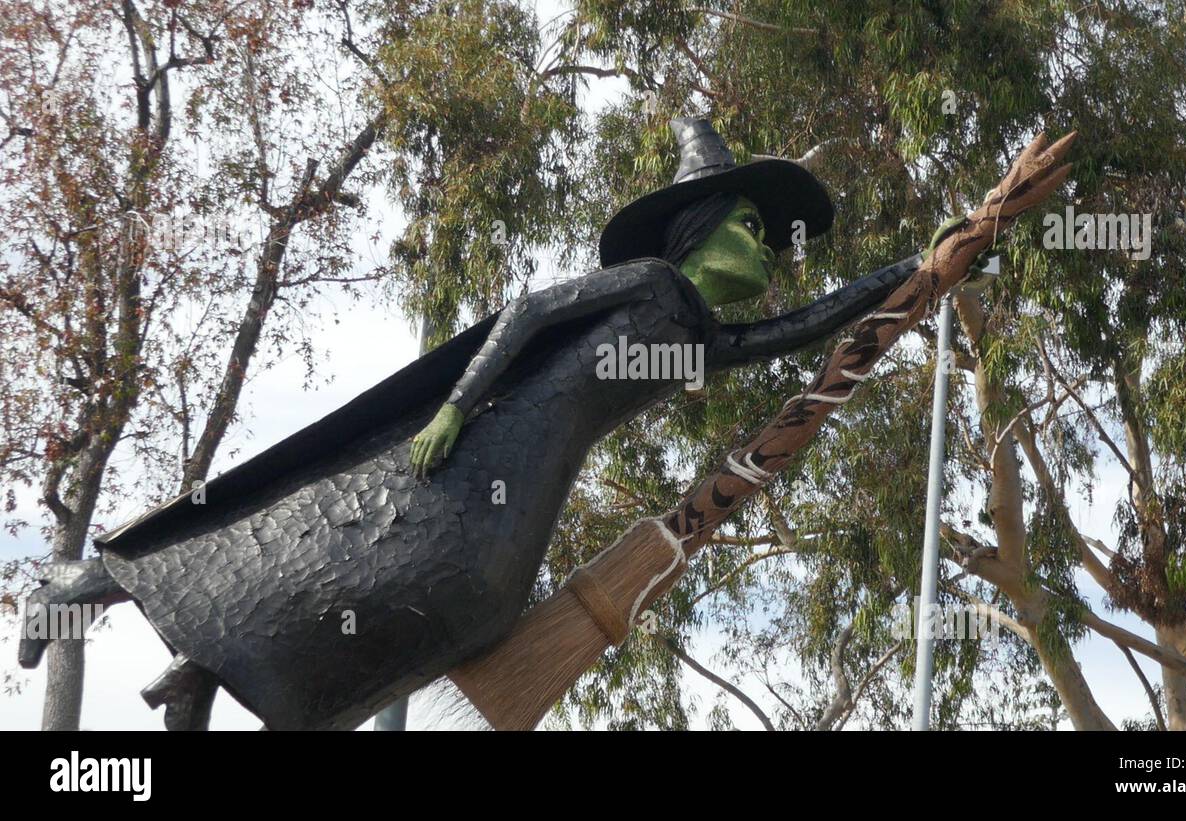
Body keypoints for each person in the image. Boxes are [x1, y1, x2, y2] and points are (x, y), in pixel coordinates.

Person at [18, 118, 983, 730]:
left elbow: (803, 329)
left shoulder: (701, 334)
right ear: (697, 232)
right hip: (477, 450)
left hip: (527, 492)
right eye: (748, 228)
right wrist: (452, 410)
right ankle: (78, 585)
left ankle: (205, 677)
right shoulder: (647, 283)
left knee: (457, 606)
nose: (765, 251)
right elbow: (527, 310)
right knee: (300, 534)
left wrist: (917, 268)